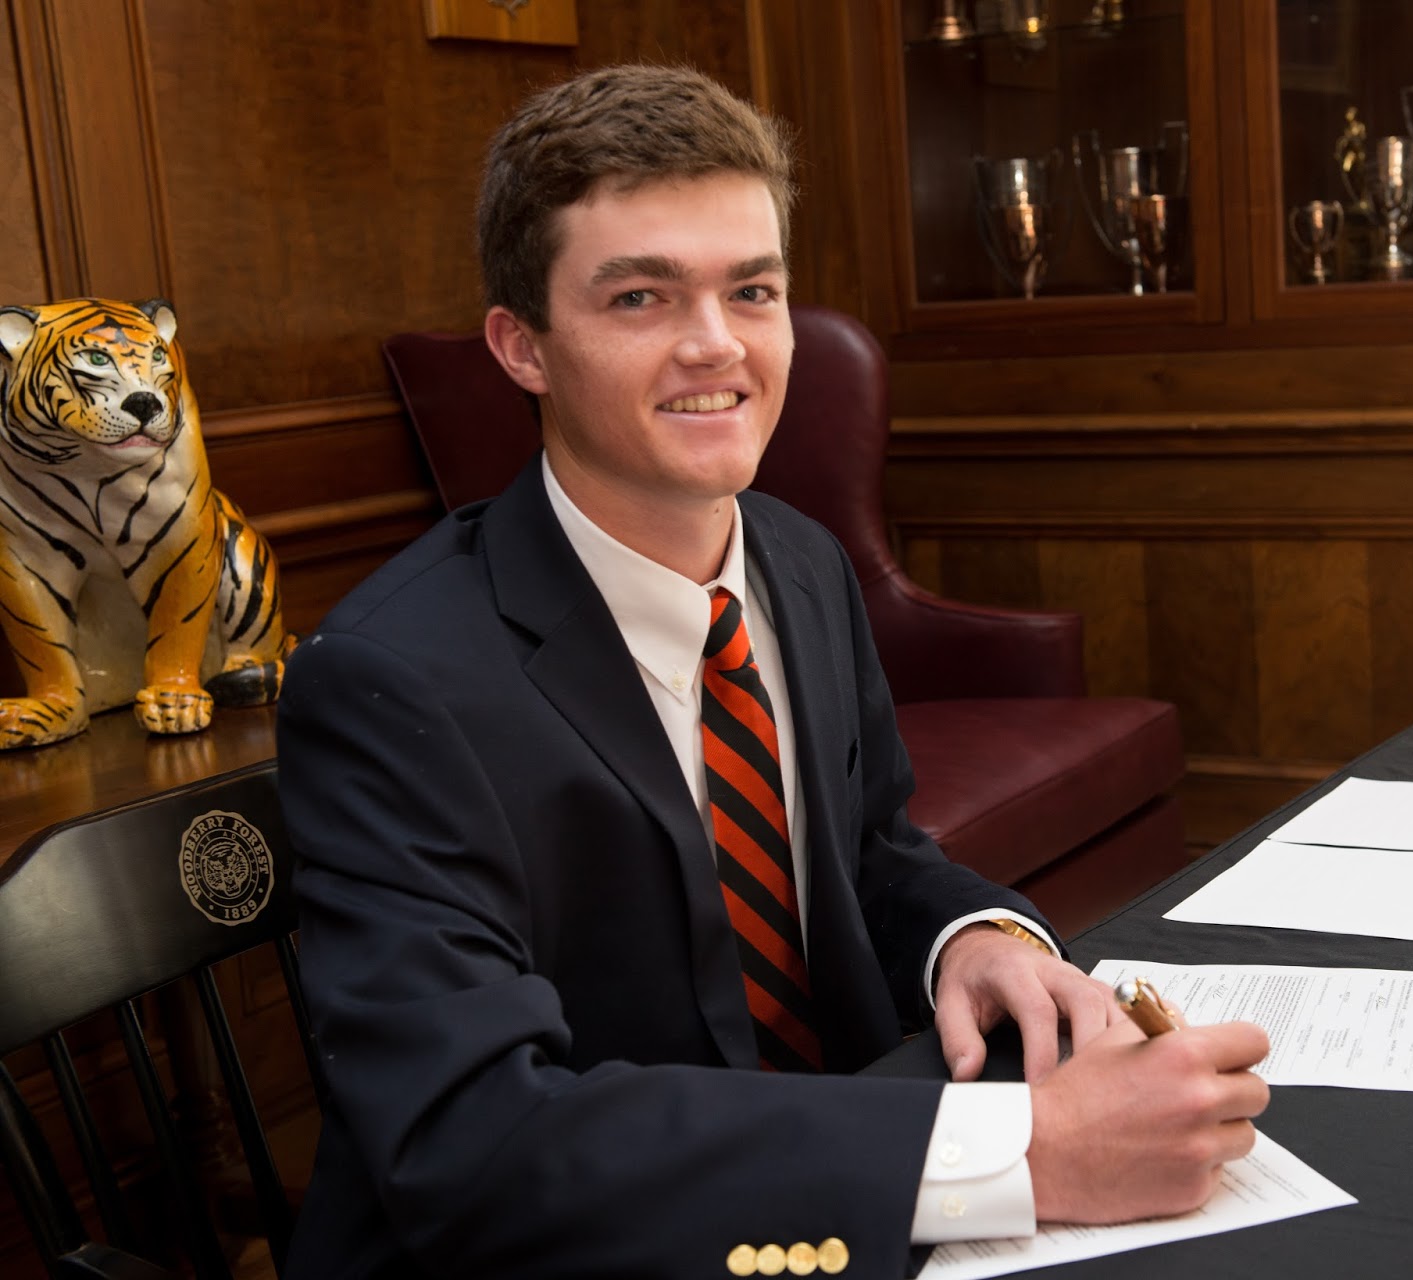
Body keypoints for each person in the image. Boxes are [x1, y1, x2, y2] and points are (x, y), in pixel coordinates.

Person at [276, 63, 1270, 1280]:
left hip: (824, 1203)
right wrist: (1019, 1147)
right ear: (521, 345)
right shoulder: (387, 681)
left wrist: (974, 936)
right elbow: (474, 1141)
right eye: (641, 296)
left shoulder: (794, 559)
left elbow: (867, 851)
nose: (715, 344)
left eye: (752, 289)